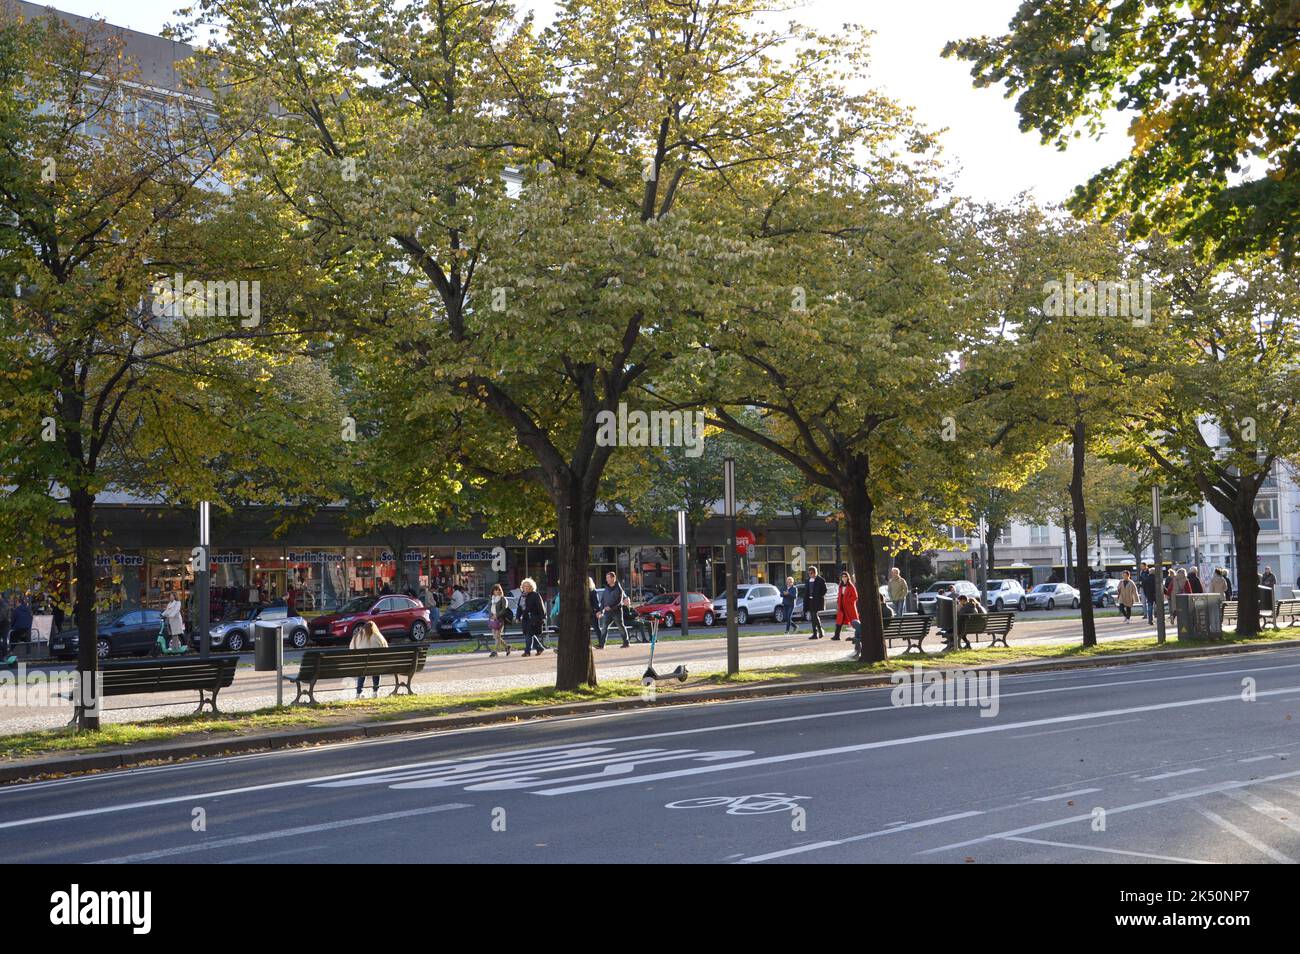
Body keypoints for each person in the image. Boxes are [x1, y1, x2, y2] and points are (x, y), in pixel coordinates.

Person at [349, 619, 388, 696]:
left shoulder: (357, 636)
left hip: (362, 665)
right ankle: (375, 692)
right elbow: (386, 649)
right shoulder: (378, 636)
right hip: (375, 665)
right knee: (376, 668)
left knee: (363, 670)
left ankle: (358, 693)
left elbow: (351, 649)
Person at [598, 571, 630, 649]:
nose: (607, 579)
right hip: (607, 613)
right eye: (606, 578)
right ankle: (601, 645)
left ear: (613, 578)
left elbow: (619, 602)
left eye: (608, 578)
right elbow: (603, 600)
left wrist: (611, 607)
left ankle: (626, 642)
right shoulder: (606, 588)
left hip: (617, 612)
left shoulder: (619, 589)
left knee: (620, 626)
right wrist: (601, 610)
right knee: (604, 627)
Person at [518, 578, 547, 656]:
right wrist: (517, 617)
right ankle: (539, 648)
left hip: (534, 618)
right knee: (530, 634)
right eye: (524, 586)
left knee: (528, 634)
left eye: (528, 586)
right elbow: (519, 608)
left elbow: (541, 607)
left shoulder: (535, 595)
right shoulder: (522, 596)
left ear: (531, 587)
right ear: (522, 587)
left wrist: (542, 618)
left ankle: (527, 651)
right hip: (525, 619)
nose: (526, 588)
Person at [487, 584, 511, 657]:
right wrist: (491, 616)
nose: (497, 591)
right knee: (496, 637)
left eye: (499, 590)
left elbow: (504, 610)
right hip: (492, 620)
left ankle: (495, 651)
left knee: (497, 635)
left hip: (500, 620)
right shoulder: (491, 599)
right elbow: (489, 609)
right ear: (493, 591)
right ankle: (507, 647)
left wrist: (496, 615)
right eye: (496, 590)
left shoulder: (503, 599)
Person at [833, 571, 858, 641]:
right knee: (839, 621)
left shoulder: (851, 586)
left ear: (848, 577)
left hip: (850, 607)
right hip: (841, 606)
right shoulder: (840, 586)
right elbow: (839, 595)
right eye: (843, 576)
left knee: (854, 621)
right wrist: (838, 601)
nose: (844, 578)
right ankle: (836, 635)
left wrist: (848, 601)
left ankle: (859, 634)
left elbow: (855, 597)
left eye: (845, 576)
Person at [805, 566, 827, 640]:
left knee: (814, 615)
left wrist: (819, 596)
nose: (810, 574)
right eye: (809, 573)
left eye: (811, 573)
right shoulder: (808, 580)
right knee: (812, 616)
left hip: (816, 601)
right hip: (810, 600)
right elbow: (807, 591)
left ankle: (819, 631)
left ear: (815, 573)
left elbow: (824, 590)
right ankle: (816, 633)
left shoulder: (820, 580)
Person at [587, 577, 601, 642]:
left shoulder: (593, 591)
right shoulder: (586, 591)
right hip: (586, 613)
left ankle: (601, 642)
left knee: (596, 628)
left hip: (593, 613)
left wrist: (598, 611)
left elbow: (596, 602)